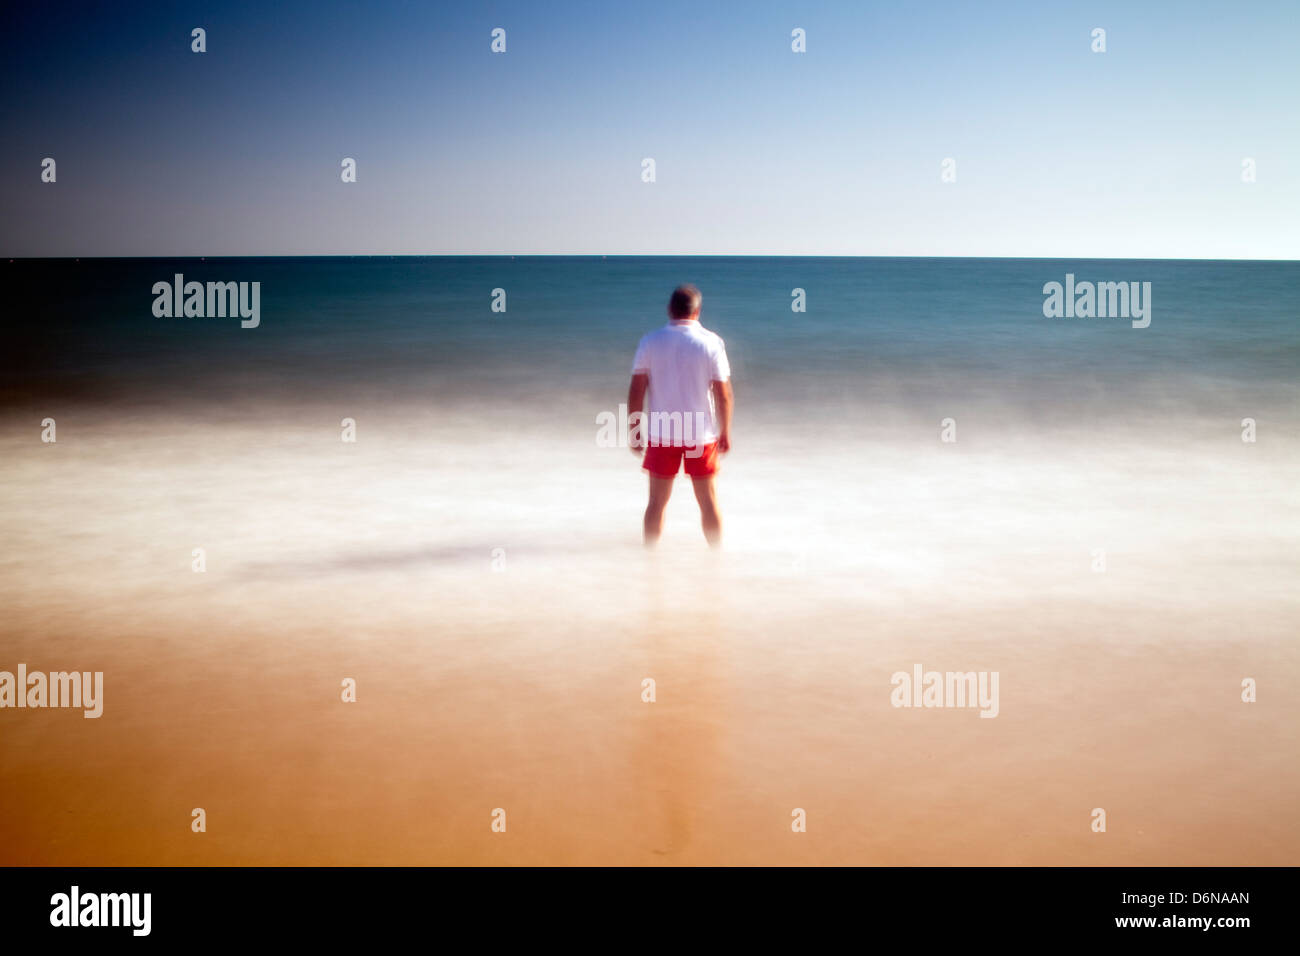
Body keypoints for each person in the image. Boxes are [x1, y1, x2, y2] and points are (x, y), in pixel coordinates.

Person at [627, 284, 733, 547]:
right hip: (701, 434)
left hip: (662, 433)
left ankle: (650, 559)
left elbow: (636, 391)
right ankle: (717, 558)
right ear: (697, 311)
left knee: (656, 503)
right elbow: (724, 394)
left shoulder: (650, 341)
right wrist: (725, 431)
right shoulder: (712, 342)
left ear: (669, 310)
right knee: (708, 502)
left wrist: (634, 430)